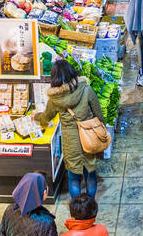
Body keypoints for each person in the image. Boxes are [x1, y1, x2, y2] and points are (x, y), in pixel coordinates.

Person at [39, 59, 103, 200]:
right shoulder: (86, 90)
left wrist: (36, 117)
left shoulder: (55, 99)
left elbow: (46, 117)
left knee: (74, 179)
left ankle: (77, 208)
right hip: (89, 139)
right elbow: (99, 115)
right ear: (71, 72)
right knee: (90, 176)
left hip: (70, 143)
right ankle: (90, 205)